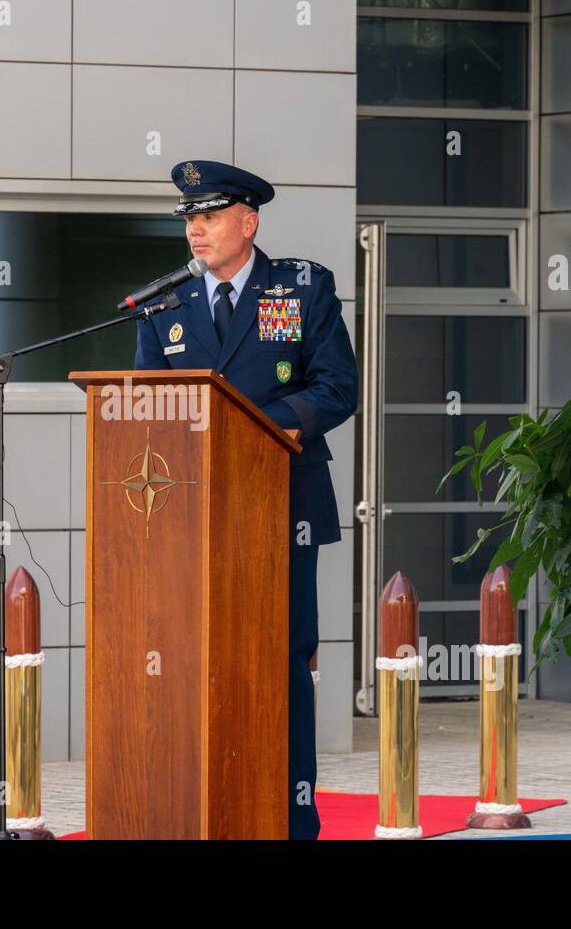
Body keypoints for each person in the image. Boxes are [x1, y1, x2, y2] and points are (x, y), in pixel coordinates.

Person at [134, 161, 358, 839]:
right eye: (188, 219)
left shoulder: (301, 288)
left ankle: (290, 818)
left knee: (280, 660)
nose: (195, 230)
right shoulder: (162, 304)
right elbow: (147, 404)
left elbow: (337, 386)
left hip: (281, 507)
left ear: (247, 221)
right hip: (190, 518)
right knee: (192, 659)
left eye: (208, 217)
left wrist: (275, 426)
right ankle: (201, 807)